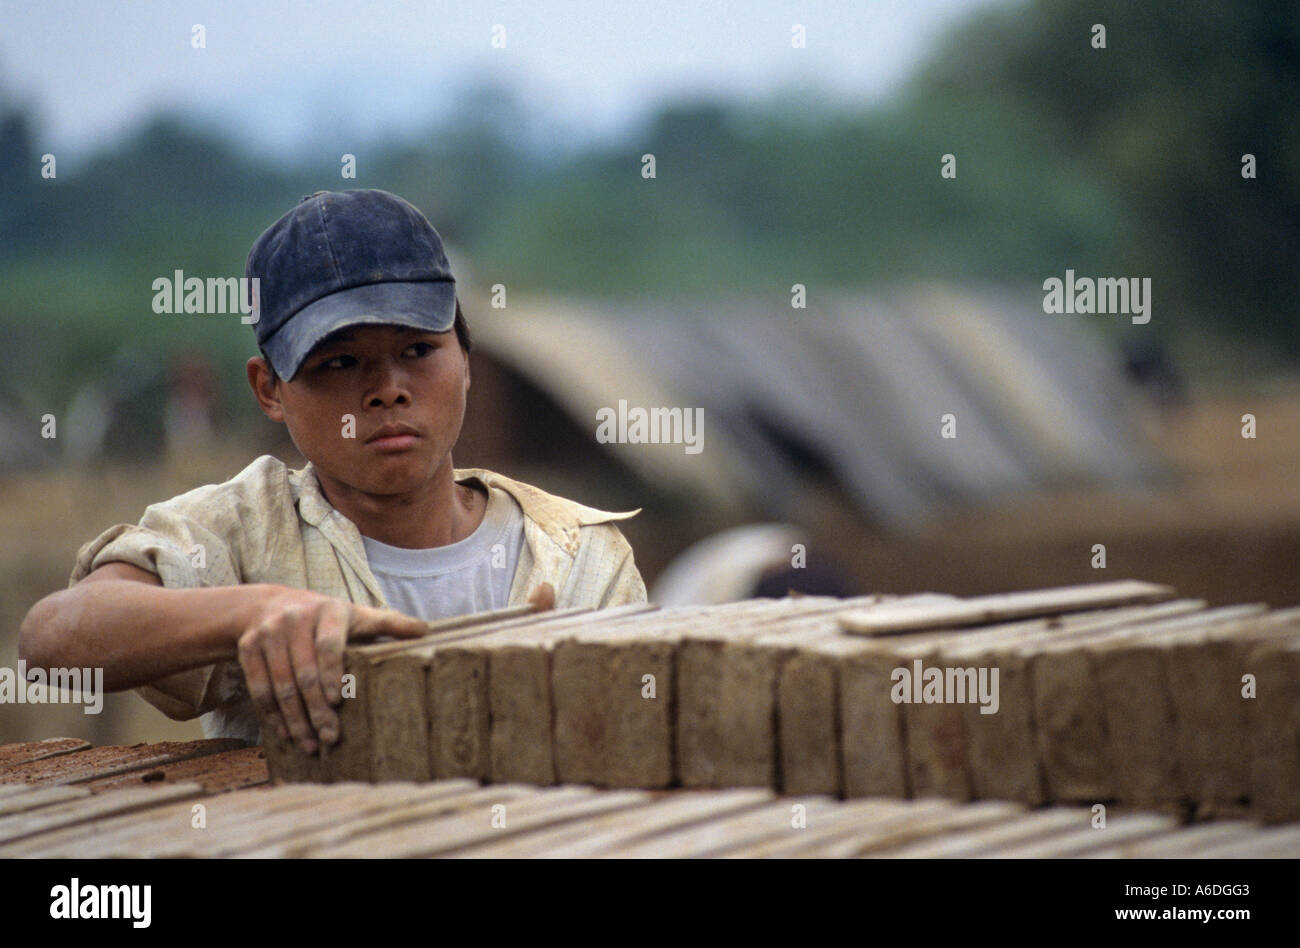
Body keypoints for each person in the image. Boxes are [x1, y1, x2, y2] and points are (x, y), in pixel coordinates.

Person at [19, 189, 647, 755]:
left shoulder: (579, 556)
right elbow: (54, 640)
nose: (386, 390)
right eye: (340, 363)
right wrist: (253, 613)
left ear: (466, 358)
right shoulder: (245, 531)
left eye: (418, 350)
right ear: (269, 389)